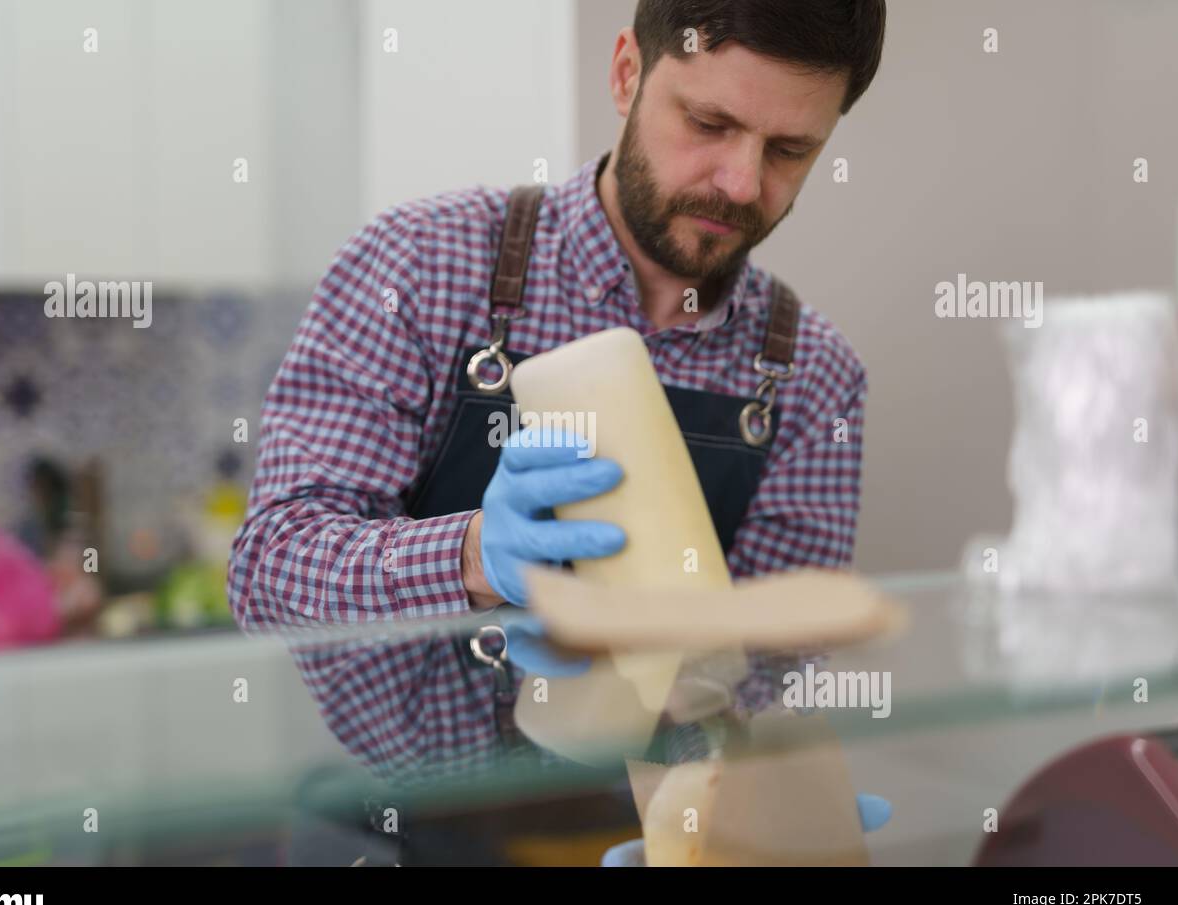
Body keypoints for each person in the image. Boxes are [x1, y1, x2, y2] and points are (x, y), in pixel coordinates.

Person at [229, 0, 888, 802]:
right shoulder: (420, 266)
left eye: (790, 150)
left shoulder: (813, 377)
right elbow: (267, 568)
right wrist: (473, 557)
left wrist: (751, 812)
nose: (742, 183)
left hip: (632, 834)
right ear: (626, 73)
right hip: (402, 831)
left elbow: (764, 668)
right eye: (709, 122)